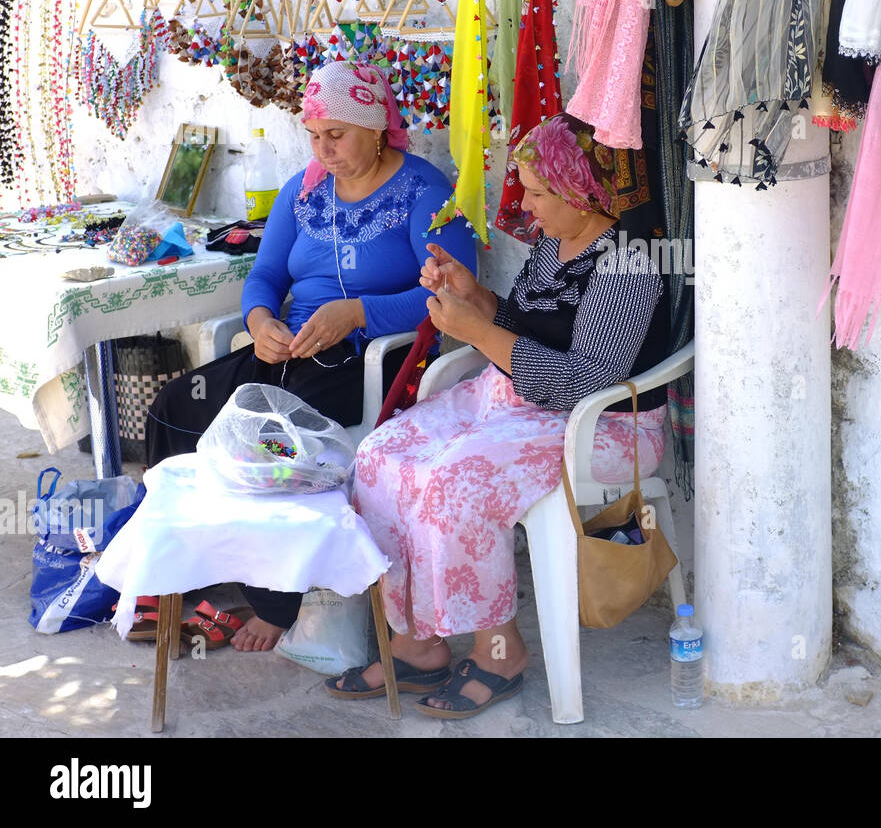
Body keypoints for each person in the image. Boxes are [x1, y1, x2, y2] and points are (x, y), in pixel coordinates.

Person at [326, 112, 670, 718]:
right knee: (381, 457)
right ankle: (416, 642)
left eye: (537, 193)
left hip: (602, 424)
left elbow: (583, 377)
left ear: (581, 189)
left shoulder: (630, 261)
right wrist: (474, 298)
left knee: (457, 480)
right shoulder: (555, 242)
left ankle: (499, 652)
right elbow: (525, 326)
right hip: (516, 402)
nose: (525, 205)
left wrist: (478, 332)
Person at [144, 60, 477, 651]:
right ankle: (194, 570)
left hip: (369, 358)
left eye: (337, 134)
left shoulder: (426, 194)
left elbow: (454, 290)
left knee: (271, 443)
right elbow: (265, 274)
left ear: (376, 126)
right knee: (174, 408)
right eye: (314, 135)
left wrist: (359, 313)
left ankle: (276, 602)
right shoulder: (305, 192)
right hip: (289, 349)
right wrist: (259, 320)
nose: (323, 151)